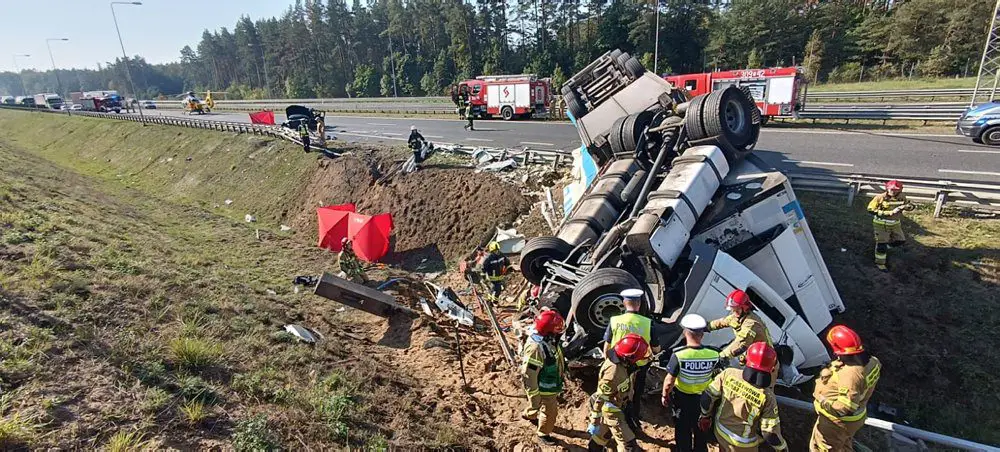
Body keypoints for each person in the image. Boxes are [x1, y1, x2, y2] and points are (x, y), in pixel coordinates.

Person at [699, 342, 787, 451]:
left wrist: (705, 416)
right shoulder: (767, 397)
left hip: (721, 432)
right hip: (744, 445)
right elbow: (769, 433)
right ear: (771, 368)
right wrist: (782, 448)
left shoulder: (728, 374)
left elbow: (707, 397)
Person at [810, 325, 881, 452]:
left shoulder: (850, 374)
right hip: (853, 420)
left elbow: (845, 407)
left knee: (822, 448)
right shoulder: (873, 362)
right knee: (843, 446)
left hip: (836, 422)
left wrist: (823, 401)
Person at [603, 289, 660, 434]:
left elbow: (607, 345)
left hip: (618, 364)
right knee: (636, 392)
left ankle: (614, 418)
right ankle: (634, 417)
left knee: (616, 391)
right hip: (639, 366)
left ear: (623, 303)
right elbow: (656, 348)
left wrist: (607, 362)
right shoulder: (648, 323)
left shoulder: (614, 320)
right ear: (639, 304)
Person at [662, 314, 721, 452]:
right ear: (702, 335)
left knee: (682, 429)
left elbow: (669, 381)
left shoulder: (679, 355)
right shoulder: (714, 354)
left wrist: (665, 395)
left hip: (683, 399)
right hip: (705, 400)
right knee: (701, 428)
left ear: (685, 333)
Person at [587, 333, 649, 452]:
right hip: (612, 411)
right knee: (628, 445)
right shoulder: (613, 373)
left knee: (602, 436)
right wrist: (594, 421)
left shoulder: (624, 365)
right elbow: (601, 397)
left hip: (620, 405)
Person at [520, 309, 566, 446]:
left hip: (550, 381)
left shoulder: (547, 340)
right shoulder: (536, 348)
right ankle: (543, 433)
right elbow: (529, 375)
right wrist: (535, 396)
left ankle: (530, 414)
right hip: (545, 387)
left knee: (536, 406)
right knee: (550, 412)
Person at [706, 289, 773, 366]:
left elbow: (741, 343)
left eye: (736, 310)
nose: (734, 312)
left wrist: (722, 356)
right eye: (732, 309)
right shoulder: (738, 316)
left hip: (763, 361)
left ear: (744, 308)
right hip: (750, 355)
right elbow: (722, 322)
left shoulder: (751, 323)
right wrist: (705, 327)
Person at [866, 179, 913, 272]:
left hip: (895, 224)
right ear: (887, 189)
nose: (893, 191)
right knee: (881, 244)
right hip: (881, 224)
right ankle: (880, 263)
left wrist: (909, 207)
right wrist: (888, 213)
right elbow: (870, 210)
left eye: (896, 190)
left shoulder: (902, 197)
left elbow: (909, 205)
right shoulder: (879, 198)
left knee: (901, 241)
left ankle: (884, 248)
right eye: (892, 189)